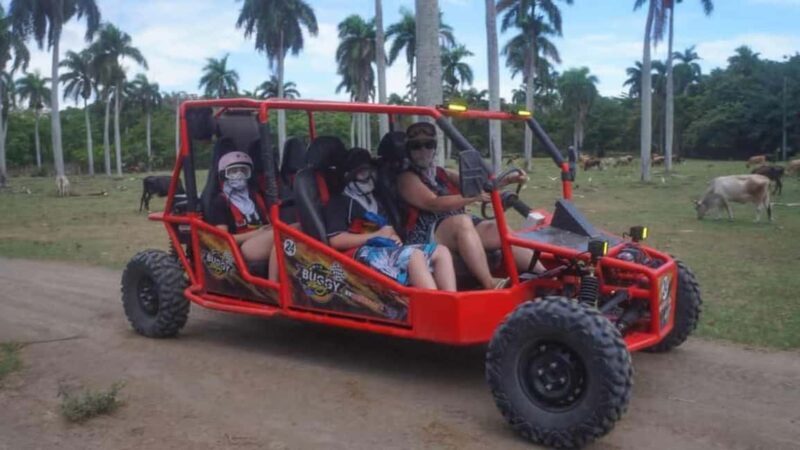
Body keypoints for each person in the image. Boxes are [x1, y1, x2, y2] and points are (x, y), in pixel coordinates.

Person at [396, 122, 537, 290]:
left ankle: (542, 276)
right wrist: (471, 198)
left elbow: (481, 185)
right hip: (425, 235)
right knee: (461, 222)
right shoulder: (406, 178)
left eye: (429, 144)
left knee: (497, 228)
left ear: (434, 147)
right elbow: (433, 203)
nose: (423, 150)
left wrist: (509, 179)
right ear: (408, 150)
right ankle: (489, 283)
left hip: (457, 227)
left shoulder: (441, 172)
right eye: (416, 146)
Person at [325, 148, 456, 291]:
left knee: (441, 251)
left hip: (384, 248)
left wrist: (393, 237)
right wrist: (376, 236)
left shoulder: (375, 199)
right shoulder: (339, 203)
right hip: (357, 254)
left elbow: (387, 228)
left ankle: (451, 303)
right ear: (348, 175)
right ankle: (436, 307)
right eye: (362, 173)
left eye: (370, 171)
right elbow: (336, 240)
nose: (368, 177)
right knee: (414, 256)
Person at [207, 150, 280, 281]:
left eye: (243, 171)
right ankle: (273, 285)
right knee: (284, 235)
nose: (239, 175)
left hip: (262, 238)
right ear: (224, 175)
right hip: (243, 248)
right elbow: (222, 239)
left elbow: (268, 221)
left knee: (296, 227)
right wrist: (256, 233)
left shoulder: (255, 196)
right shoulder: (220, 202)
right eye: (234, 171)